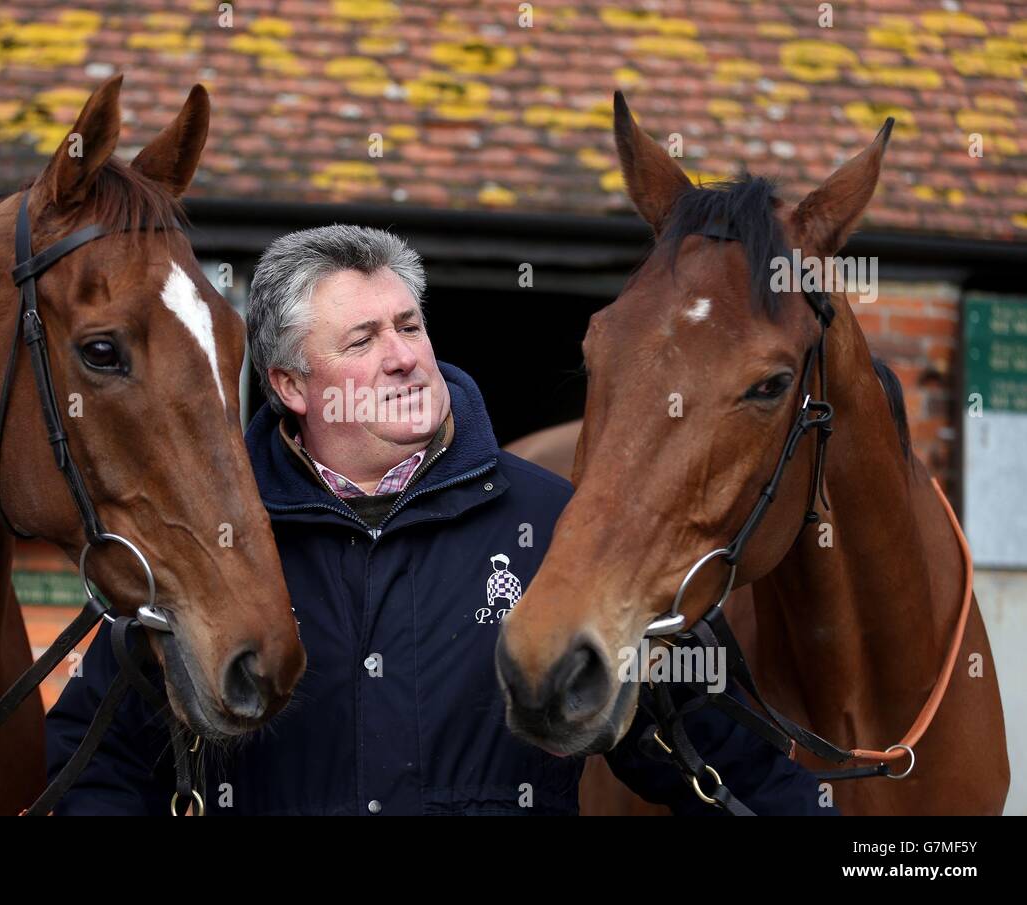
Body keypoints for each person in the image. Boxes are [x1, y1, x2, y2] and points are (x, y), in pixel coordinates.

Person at [46, 224, 835, 815]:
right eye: (363, 338)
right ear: (290, 384)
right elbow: (94, 770)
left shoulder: (558, 528)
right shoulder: (200, 547)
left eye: (410, 325)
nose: (403, 355)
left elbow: (728, 760)